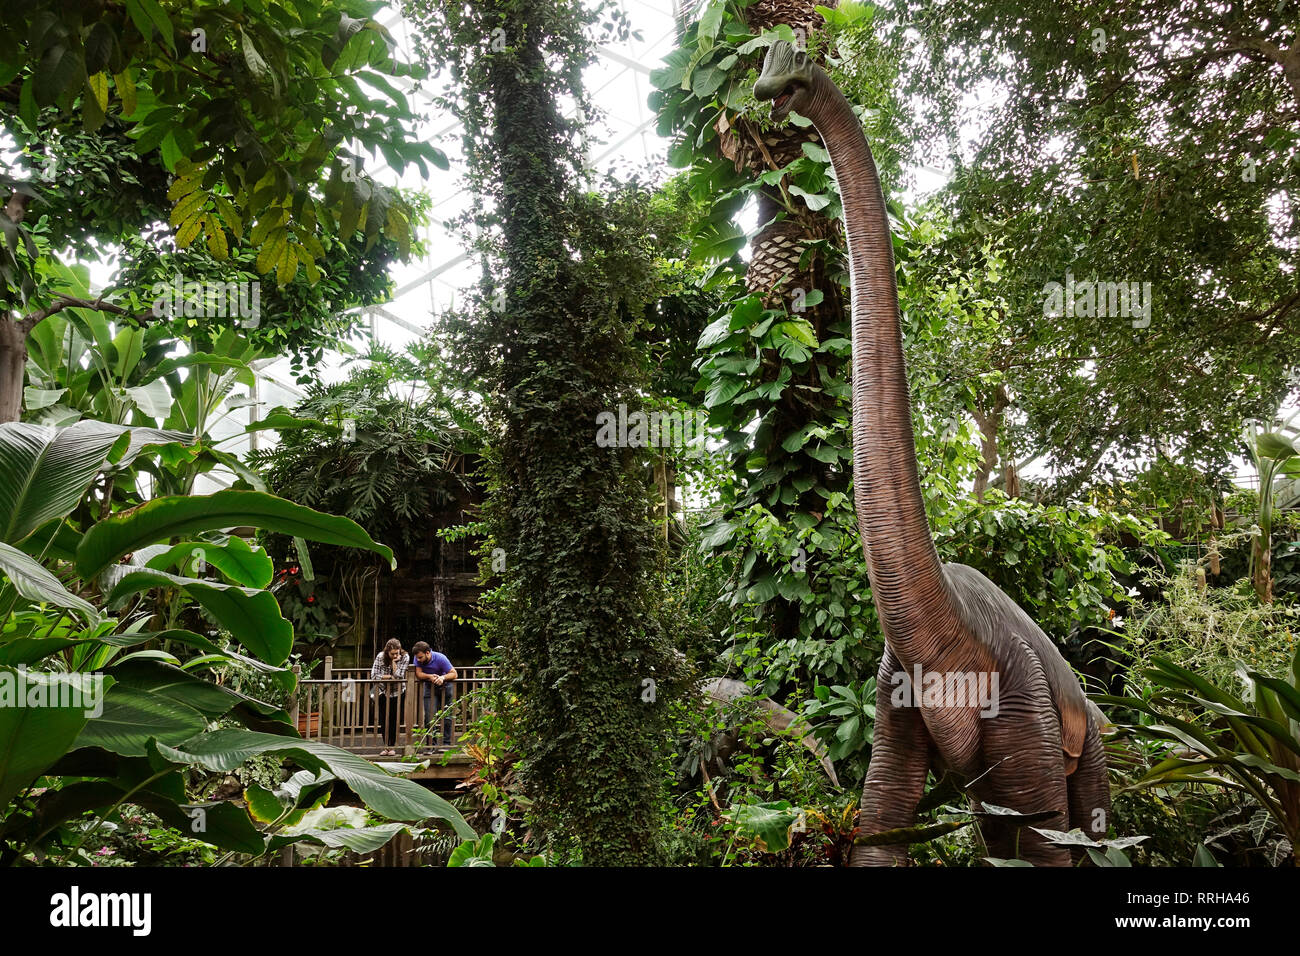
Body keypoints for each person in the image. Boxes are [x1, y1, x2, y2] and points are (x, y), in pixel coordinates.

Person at [410, 641, 457, 750]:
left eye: (420, 657)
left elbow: (454, 673)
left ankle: (446, 744)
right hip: (429, 687)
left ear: (428, 653)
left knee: (447, 716)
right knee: (429, 717)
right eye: (417, 658)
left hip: (445, 686)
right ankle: (431, 745)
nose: (418, 660)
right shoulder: (417, 658)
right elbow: (419, 673)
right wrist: (430, 676)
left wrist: (442, 678)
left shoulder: (440, 658)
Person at [370, 638, 408, 756]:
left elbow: (399, 676)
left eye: (397, 653)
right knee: (384, 719)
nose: (395, 655)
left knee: (395, 719)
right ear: (387, 652)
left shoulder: (405, 657)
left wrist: (394, 663)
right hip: (382, 691)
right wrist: (389, 677)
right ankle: (386, 746)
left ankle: (392, 747)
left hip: (398, 692)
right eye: (392, 654)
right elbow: (374, 676)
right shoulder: (380, 657)